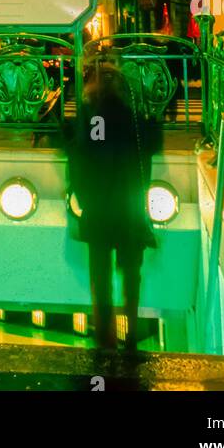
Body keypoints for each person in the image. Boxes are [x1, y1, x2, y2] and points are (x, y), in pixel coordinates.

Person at [65, 60, 162, 350]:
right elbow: (151, 143)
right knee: (131, 273)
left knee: (101, 276)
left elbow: (80, 151)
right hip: (129, 207)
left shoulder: (92, 117)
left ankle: (104, 335)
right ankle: (130, 332)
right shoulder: (131, 117)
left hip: (99, 209)